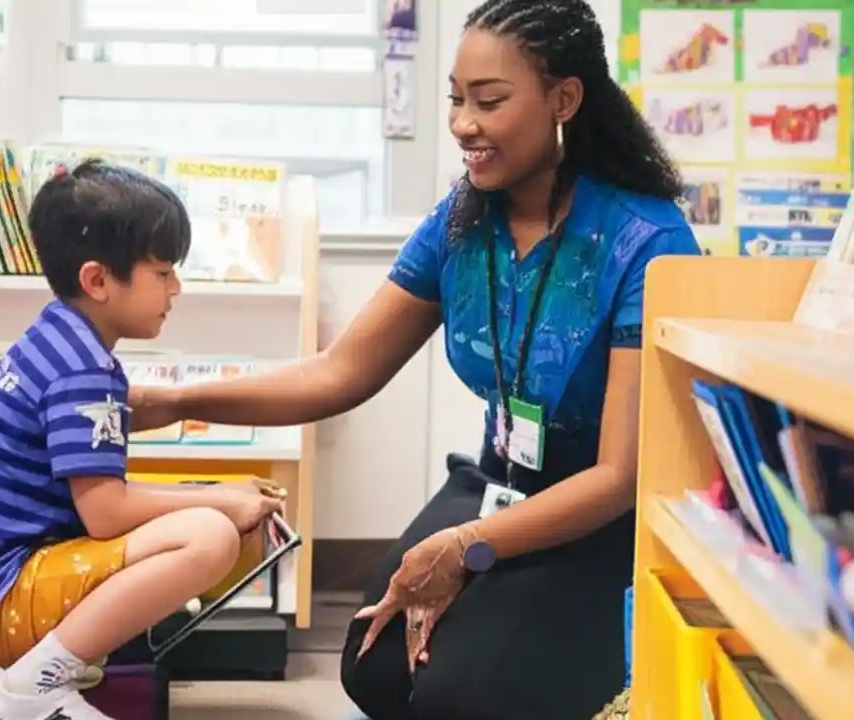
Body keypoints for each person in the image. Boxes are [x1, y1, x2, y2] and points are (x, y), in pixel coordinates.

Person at [133, 0, 701, 716]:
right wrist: (175, 404)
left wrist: (468, 548)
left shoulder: (644, 241)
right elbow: (340, 373)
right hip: (501, 477)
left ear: (565, 97)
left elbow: (619, 478)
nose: (464, 122)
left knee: (453, 697)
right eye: (456, 100)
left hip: (597, 515)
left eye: (489, 101)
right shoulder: (461, 221)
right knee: (373, 668)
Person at [0, 160, 283, 720]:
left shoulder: (60, 338)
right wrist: (220, 495)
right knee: (208, 537)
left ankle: (41, 663)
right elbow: (107, 515)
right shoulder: (80, 371)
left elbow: (96, 427)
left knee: (202, 521)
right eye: (162, 272)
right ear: (97, 280)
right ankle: (30, 690)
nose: (176, 288)